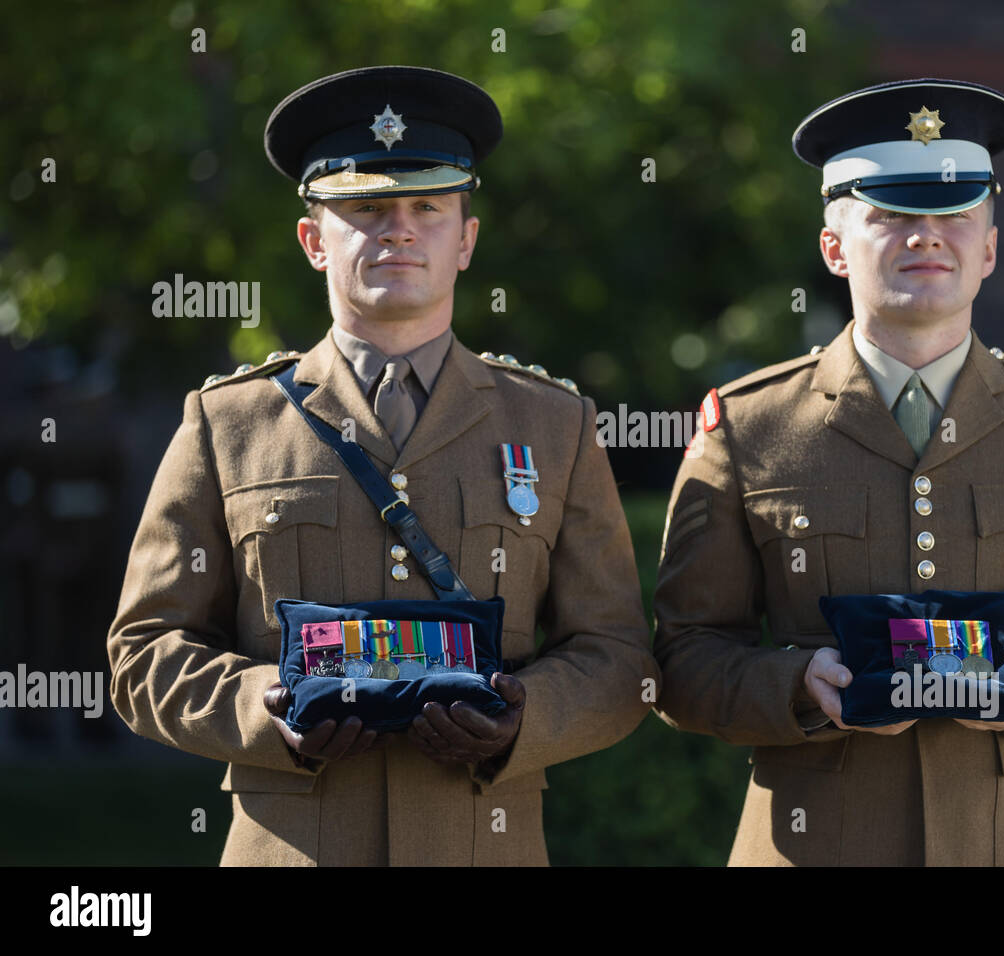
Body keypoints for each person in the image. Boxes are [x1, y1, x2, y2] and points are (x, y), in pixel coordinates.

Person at [107, 66, 657, 866]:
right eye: (364, 208)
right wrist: (264, 708)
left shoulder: (554, 423)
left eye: (428, 208)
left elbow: (618, 656)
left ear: (466, 239)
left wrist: (524, 714)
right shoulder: (228, 423)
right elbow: (143, 649)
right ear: (312, 240)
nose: (398, 230)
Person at [652, 78, 1004, 866]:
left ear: (990, 248)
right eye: (893, 214)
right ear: (835, 247)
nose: (926, 236)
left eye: (953, 216)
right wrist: (800, 685)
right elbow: (679, 661)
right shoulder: (748, 426)